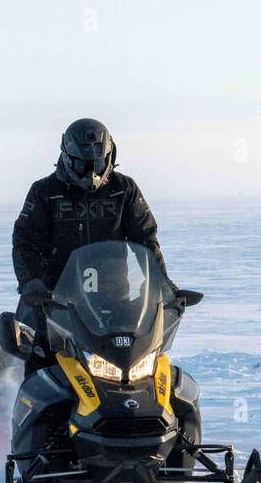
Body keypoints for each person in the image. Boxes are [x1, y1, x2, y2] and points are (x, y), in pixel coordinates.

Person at [11, 118, 175, 374]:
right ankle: (30, 410)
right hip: (57, 302)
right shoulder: (45, 192)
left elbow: (146, 239)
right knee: (41, 362)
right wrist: (32, 282)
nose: (91, 172)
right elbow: (25, 243)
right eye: (83, 164)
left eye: (97, 163)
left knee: (145, 360)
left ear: (110, 156)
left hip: (116, 300)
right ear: (67, 157)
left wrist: (161, 285)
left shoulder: (124, 189)